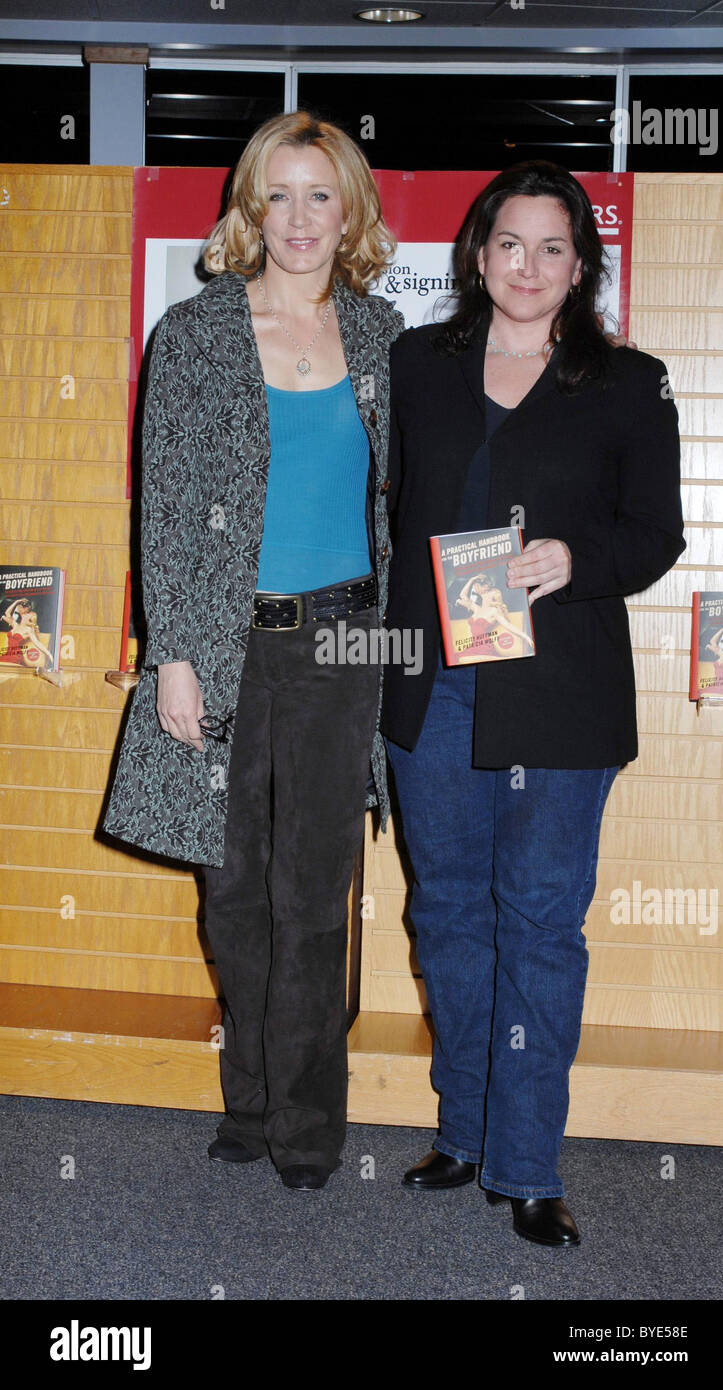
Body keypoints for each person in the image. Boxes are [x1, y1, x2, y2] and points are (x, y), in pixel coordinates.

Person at [380, 160, 685, 1245]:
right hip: (438, 690)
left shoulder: (630, 381)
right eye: (511, 243)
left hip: (559, 698)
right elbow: (383, 511)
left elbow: (658, 536)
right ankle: (462, 1132)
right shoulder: (417, 363)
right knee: (448, 915)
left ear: (580, 264)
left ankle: (527, 1163)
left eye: (554, 247)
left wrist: (573, 553)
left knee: (542, 926)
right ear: (476, 252)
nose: (529, 265)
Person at [103, 111, 404, 1190]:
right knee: (230, 892)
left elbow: (405, 498)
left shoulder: (380, 340)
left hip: (341, 646)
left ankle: (307, 1127)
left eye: (321, 194)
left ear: (351, 209)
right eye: (279, 194)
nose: (300, 218)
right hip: (223, 646)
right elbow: (167, 505)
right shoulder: (193, 335)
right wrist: (171, 650)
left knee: (313, 892)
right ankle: (253, 1097)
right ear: (250, 207)